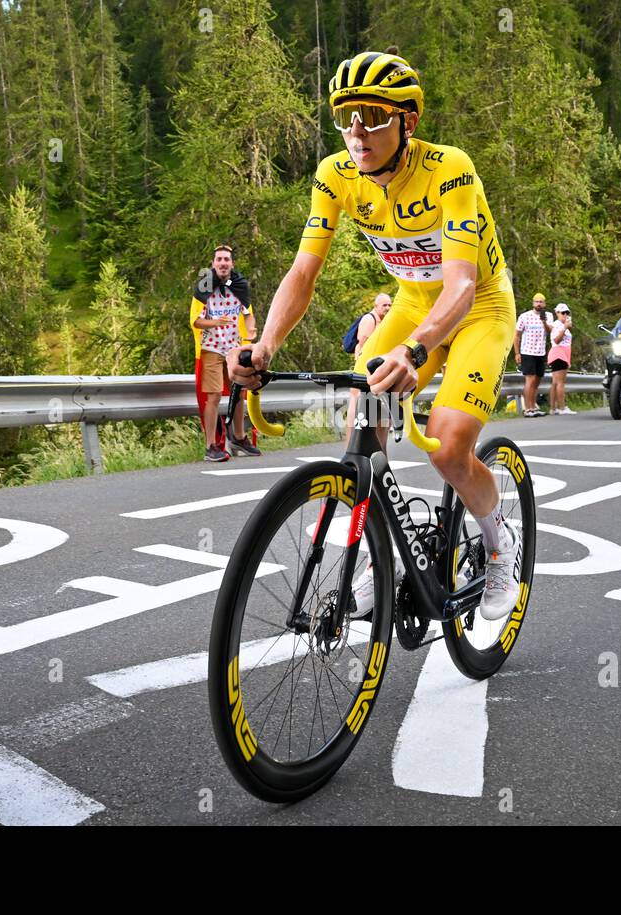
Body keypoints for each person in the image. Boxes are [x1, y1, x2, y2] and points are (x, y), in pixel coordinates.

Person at [229, 50, 523, 622]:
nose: (356, 131)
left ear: (407, 122)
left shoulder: (450, 169)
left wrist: (414, 351)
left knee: (447, 443)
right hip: (414, 303)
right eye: (345, 116)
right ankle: (378, 561)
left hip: (479, 306)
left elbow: (461, 282)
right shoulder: (335, 175)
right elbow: (304, 271)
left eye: (372, 115)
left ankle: (497, 544)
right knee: (365, 416)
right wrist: (264, 346)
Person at [190, 244, 258, 462]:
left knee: (238, 393)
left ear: (232, 263)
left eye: (226, 259)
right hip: (211, 348)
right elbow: (195, 321)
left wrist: (250, 335)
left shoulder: (239, 285)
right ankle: (211, 445)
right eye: (219, 259)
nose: (222, 263)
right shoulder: (204, 286)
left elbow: (248, 314)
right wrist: (215, 322)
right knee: (213, 396)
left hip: (234, 348)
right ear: (213, 264)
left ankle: (239, 438)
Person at [345, 292, 393, 440]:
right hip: (365, 367)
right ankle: (355, 438)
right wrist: (361, 366)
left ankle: (373, 435)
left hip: (376, 367)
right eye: (384, 305)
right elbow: (362, 343)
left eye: (390, 305)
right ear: (376, 306)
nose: (387, 308)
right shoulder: (369, 318)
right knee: (358, 400)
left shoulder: (383, 320)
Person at [515, 293, 551, 416]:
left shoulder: (548, 316)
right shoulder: (524, 316)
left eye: (541, 302)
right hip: (527, 351)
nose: (539, 304)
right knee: (529, 380)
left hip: (540, 352)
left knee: (537, 381)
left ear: (544, 304)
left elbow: (549, 331)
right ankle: (527, 409)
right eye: (536, 302)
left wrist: (544, 322)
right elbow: (517, 335)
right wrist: (517, 353)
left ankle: (534, 407)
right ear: (533, 303)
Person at [547, 303, 573, 414]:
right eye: (563, 313)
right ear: (557, 313)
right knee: (560, 382)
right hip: (559, 353)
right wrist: (565, 328)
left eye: (567, 313)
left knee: (555, 382)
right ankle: (562, 408)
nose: (565, 315)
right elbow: (556, 340)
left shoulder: (563, 325)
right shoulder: (557, 325)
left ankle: (553, 408)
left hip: (562, 354)